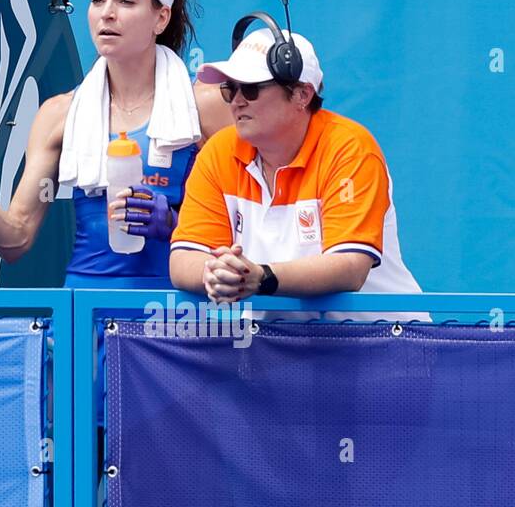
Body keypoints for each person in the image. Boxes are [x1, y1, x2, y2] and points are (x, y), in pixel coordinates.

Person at [0, 0, 230, 288]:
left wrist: (178, 224)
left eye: (126, 1)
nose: (107, 13)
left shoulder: (204, 105)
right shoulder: (59, 114)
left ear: (161, 18)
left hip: (172, 317)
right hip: (83, 317)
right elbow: (16, 237)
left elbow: (254, 222)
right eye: (98, 0)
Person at [169, 26, 423, 305]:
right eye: (231, 89)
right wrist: (217, 274)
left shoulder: (349, 148)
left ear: (302, 94)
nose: (237, 101)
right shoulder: (219, 151)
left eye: (251, 89)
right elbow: (184, 258)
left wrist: (261, 277)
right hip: (275, 337)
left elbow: (350, 267)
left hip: (377, 337)